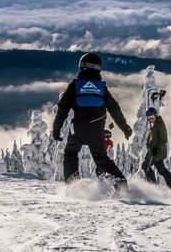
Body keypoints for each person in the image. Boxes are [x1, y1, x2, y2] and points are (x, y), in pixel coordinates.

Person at [52, 53, 133, 186]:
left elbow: (62, 109)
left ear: (81, 66)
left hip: (78, 129)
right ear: (98, 68)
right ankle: (121, 183)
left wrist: (56, 129)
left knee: (71, 154)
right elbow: (114, 108)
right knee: (101, 158)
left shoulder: (75, 85)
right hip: (97, 131)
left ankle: (73, 186)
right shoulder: (101, 88)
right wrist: (125, 128)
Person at [142, 107, 171, 191]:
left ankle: (153, 186)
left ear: (155, 115)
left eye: (152, 117)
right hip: (153, 151)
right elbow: (152, 138)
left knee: (145, 166)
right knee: (161, 169)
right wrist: (148, 145)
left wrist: (158, 149)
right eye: (149, 118)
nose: (150, 119)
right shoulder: (154, 125)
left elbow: (164, 139)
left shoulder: (160, 125)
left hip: (157, 152)